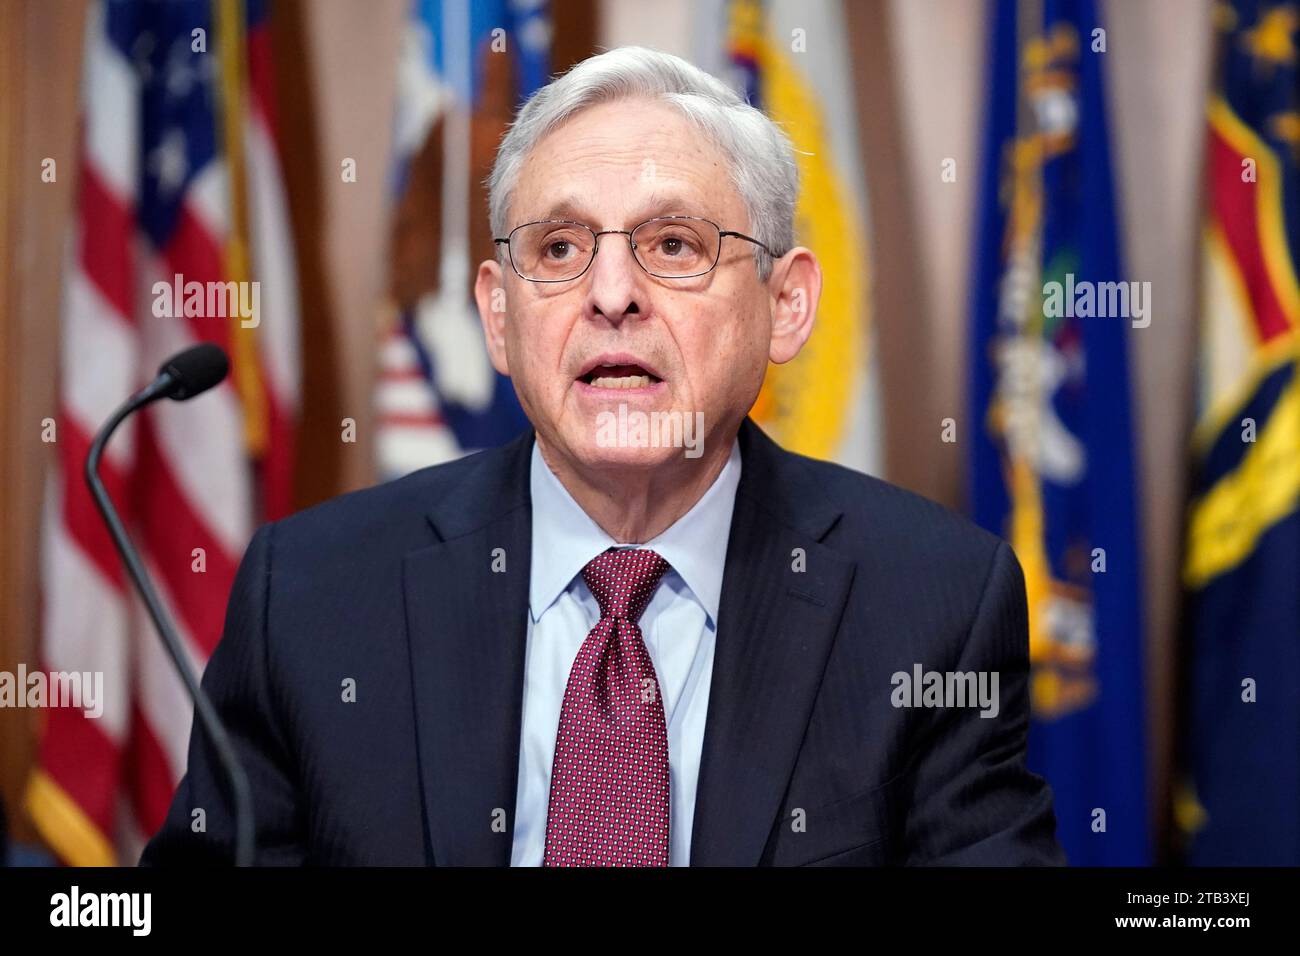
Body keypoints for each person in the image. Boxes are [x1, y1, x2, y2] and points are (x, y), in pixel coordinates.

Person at [142, 46, 1064, 867]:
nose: (612, 294)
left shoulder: (931, 602)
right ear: (499, 317)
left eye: (672, 245)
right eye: (561, 248)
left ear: (785, 305)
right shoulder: (309, 597)